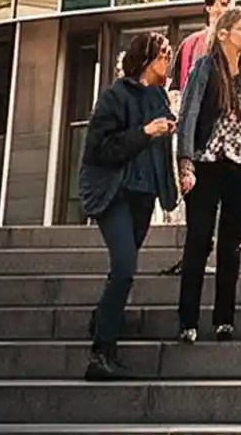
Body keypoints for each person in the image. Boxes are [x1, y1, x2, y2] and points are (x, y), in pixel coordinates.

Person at [77, 32, 180, 380]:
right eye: (165, 56)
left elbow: (162, 149)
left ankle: (101, 318)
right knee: (124, 266)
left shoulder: (159, 97)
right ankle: (100, 355)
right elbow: (98, 150)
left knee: (125, 265)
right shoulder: (114, 95)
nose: (170, 63)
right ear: (149, 60)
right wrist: (145, 132)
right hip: (114, 193)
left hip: (143, 195)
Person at [175, 7, 241, 343]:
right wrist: (185, 161)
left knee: (232, 244)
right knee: (199, 238)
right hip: (207, 162)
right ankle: (188, 319)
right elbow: (188, 114)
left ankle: (224, 319)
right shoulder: (205, 66)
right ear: (224, 33)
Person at [160, 0, 233, 276]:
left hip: (225, 135)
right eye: (222, 3)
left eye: (230, 3)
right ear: (209, 8)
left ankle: (209, 254)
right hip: (195, 132)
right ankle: (192, 255)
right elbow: (177, 89)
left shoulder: (239, 44)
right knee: (193, 195)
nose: (226, 8)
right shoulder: (192, 44)